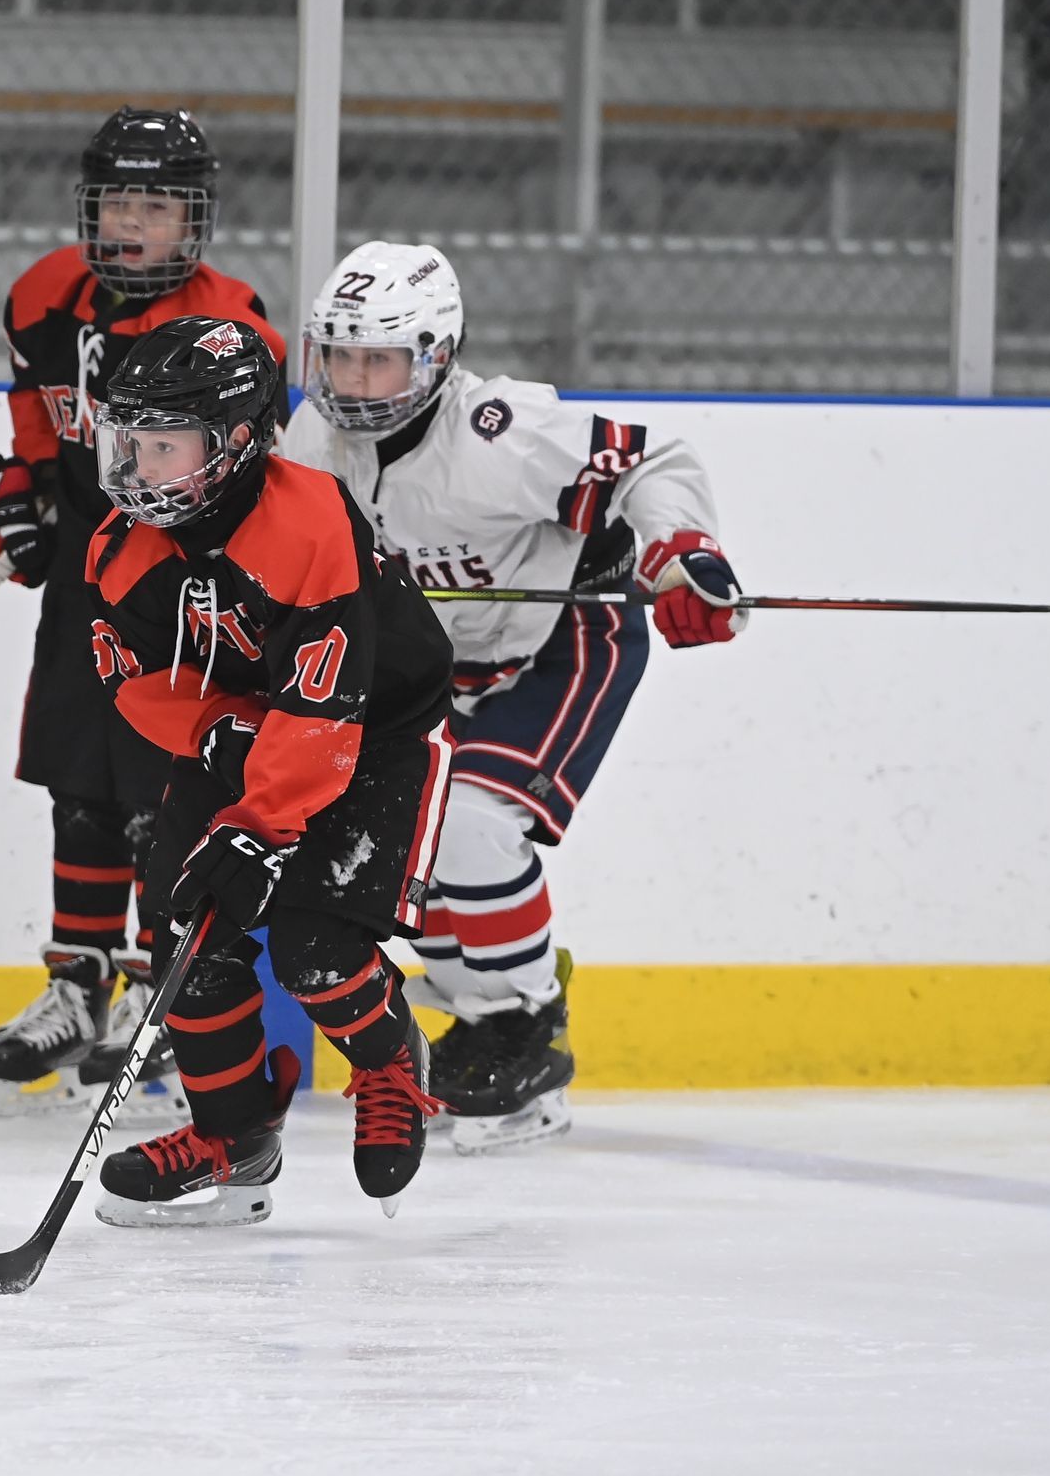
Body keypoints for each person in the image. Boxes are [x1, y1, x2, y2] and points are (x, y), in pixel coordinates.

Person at [278, 242, 743, 1153]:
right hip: (435, 668)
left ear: (438, 356)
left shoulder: (499, 433)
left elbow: (649, 464)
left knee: (472, 822)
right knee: (403, 837)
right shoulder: (313, 441)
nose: (355, 381)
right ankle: (482, 1019)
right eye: (339, 355)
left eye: (380, 358)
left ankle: (530, 1027)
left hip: (565, 640)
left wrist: (682, 551)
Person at [79, 315, 459, 1226]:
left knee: (315, 948)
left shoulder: (310, 518)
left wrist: (260, 824)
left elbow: (325, 708)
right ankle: (234, 1136)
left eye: (165, 446)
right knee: (185, 930)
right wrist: (215, 729)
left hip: (377, 734)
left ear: (238, 441)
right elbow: (133, 680)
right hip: (247, 731)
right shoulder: (121, 551)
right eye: (130, 441)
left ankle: (389, 1060)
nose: (137, 468)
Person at [0, 107, 282, 1120]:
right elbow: (34, 420)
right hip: (84, 572)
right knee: (78, 778)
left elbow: (254, 470)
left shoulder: (232, 320)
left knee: (164, 787)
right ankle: (79, 982)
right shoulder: (40, 298)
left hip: (181, 585)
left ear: (194, 219)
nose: (131, 224)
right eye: (115, 202)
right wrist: (19, 493)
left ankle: (162, 987)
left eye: (155, 205)